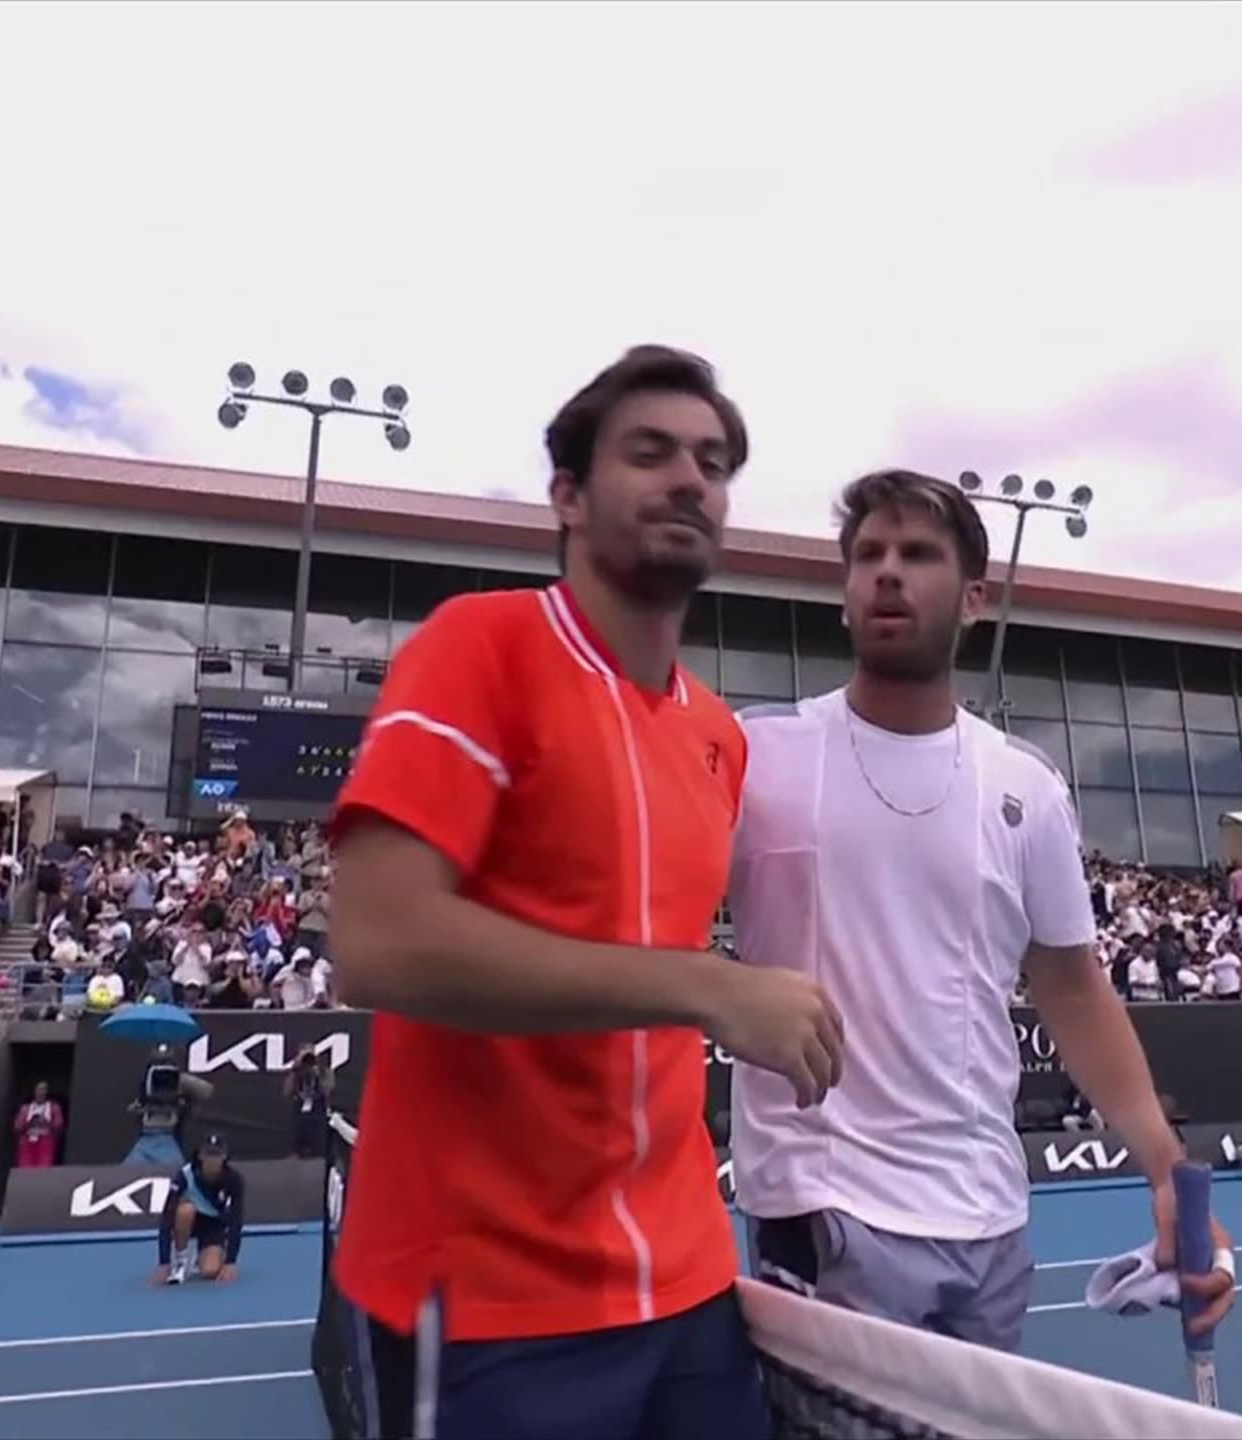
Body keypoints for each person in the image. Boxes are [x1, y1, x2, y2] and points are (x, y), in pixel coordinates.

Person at [316, 346, 843, 1440]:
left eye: (712, 460)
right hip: (484, 1302)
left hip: (688, 1285)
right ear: (566, 495)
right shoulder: (480, 644)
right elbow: (375, 941)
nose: (690, 479)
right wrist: (708, 988)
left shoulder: (716, 734)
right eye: (649, 454)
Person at [728, 469, 1236, 1354]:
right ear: (844, 594)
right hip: (825, 1213)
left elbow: (1072, 986)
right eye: (868, 555)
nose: (888, 572)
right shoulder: (758, 755)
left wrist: (1165, 1165)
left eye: (917, 554)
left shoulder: (1026, 786)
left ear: (971, 600)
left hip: (989, 1225)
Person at [154, 1133, 244, 1287]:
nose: (212, 1160)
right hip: (190, 1220)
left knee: (210, 1271)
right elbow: (167, 1216)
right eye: (209, 1154)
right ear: (201, 1155)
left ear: (224, 1156)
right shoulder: (184, 1175)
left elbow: (236, 1219)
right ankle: (181, 1259)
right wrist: (164, 1262)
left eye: (217, 1155)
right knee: (185, 1210)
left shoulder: (234, 1179)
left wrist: (230, 1261)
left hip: (213, 1224)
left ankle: (200, 1257)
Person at [125, 1042, 214, 1168]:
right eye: (159, 1062)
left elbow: (207, 1091)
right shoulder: (146, 1082)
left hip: (171, 1136)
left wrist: (181, 1081)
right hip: (146, 1137)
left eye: (165, 1062)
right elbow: (134, 1107)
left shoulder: (180, 1081)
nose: (162, 1069)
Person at [15, 1081, 65, 1169]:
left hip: (45, 1141)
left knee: (43, 1167)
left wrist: (46, 1122)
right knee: (25, 1168)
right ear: (35, 1091)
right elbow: (18, 1126)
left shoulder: (53, 1107)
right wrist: (29, 1122)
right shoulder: (26, 1108)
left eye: (44, 1090)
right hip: (28, 1141)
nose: (42, 1092)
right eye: (39, 1089)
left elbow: (59, 1125)